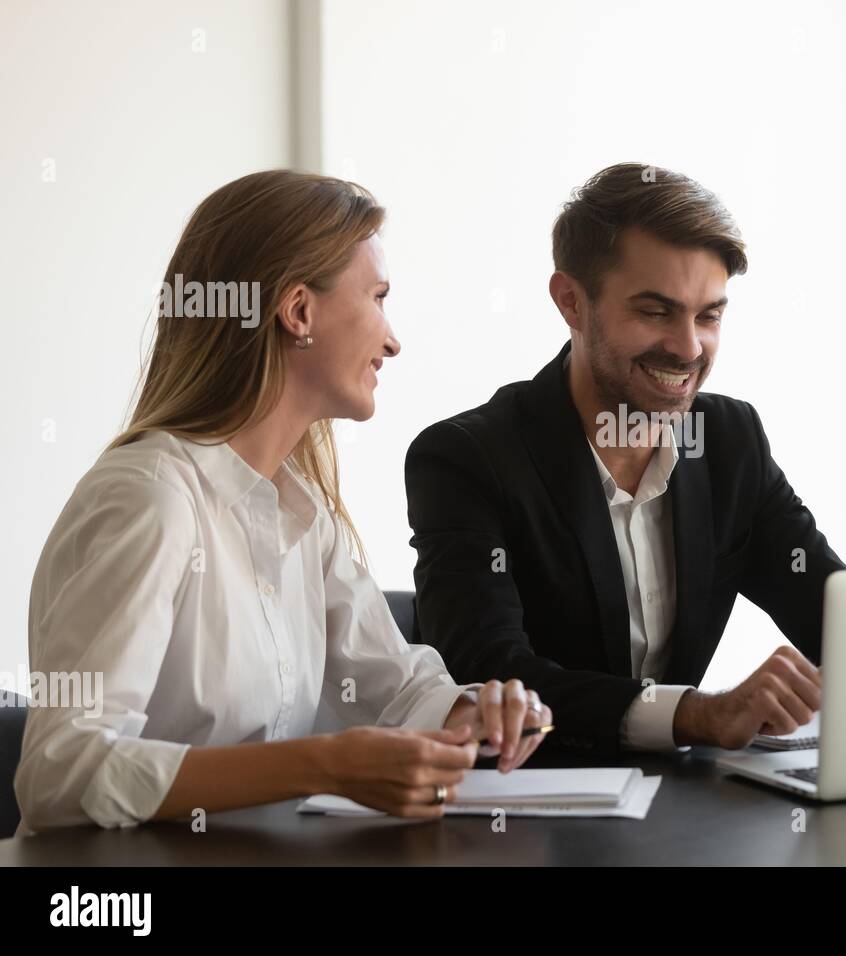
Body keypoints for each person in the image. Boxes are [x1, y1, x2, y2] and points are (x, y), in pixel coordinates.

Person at [17, 170, 551, 833]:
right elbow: (61, 771)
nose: (393, 340)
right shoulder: (151, 499)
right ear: (298, 312)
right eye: (379, 298)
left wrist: (473, 711)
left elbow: (397, 688)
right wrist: (321, 764)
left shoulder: (303, 515)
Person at [405, 163, 845, 755]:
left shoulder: (729, 440)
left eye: (709, 315)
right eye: (655, 311)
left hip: (679, 810)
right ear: (571, 302)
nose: (689, 348)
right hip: (527, 818)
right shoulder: (468, 459)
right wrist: (694, 714)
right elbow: (489, 675)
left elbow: (834, 616)